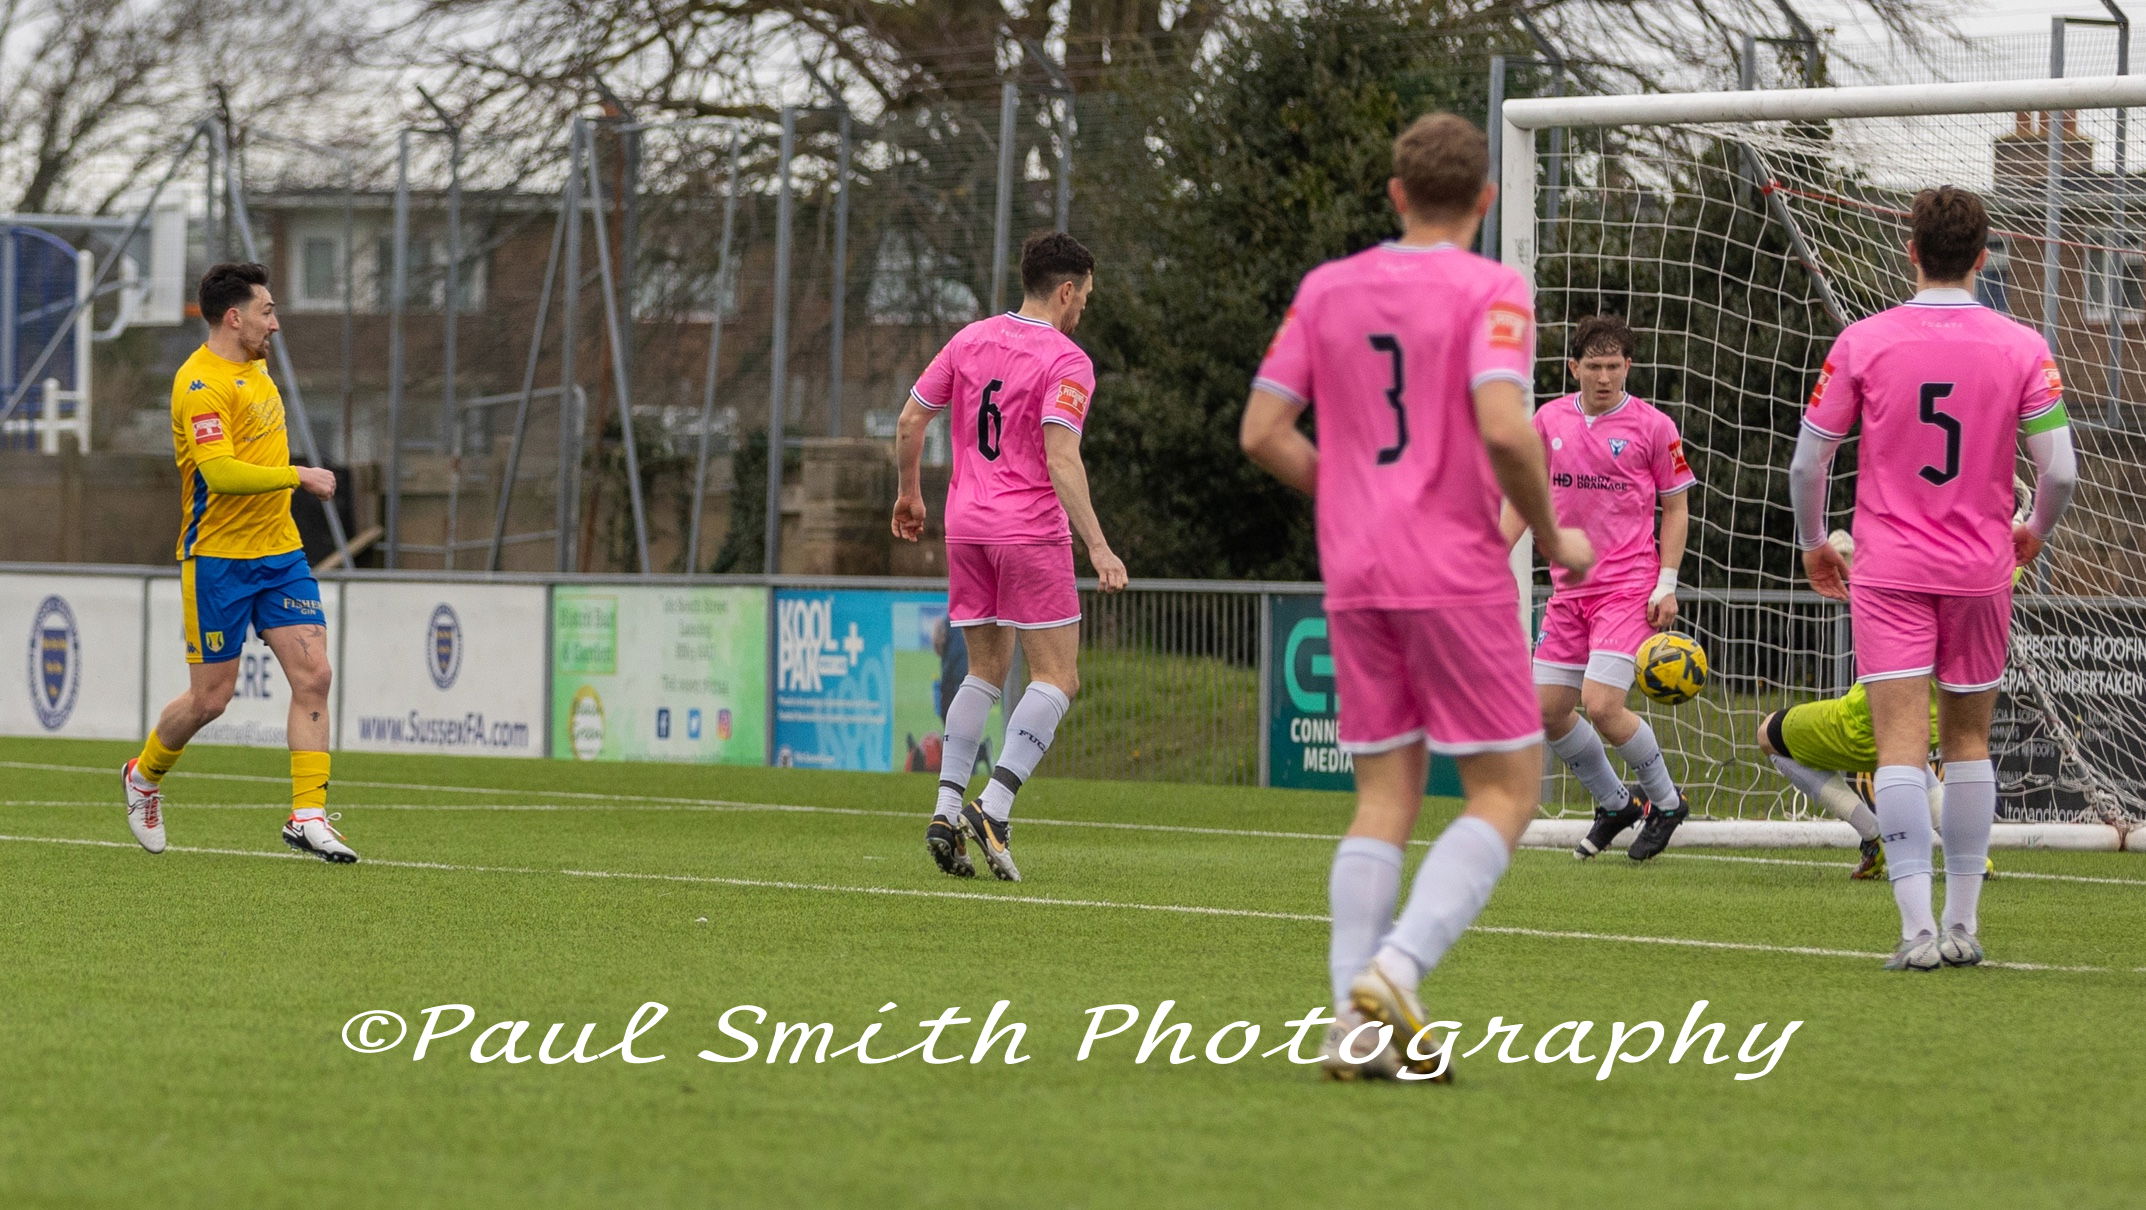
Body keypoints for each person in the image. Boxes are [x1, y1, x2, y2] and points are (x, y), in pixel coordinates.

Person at [1241, 113, 1593, 1080]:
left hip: (1357, 570)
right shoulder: (1491, 288)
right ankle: (1397, 970)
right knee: (1507, 787)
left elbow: (1263, 431)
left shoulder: (1327, 288)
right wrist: (1556, 534)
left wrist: (1354, 494)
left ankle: (1352, 1024)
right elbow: (1508, 429)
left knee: (1385, 795)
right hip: (1453, 567)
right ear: (1485, 199)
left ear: (1394, 196)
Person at [1789, 186, 2077, 970]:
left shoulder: (1864, 341)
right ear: (1985, 256)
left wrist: (1817, 540)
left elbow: (1810, 459)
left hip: (1889, 570)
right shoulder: (2023, 345)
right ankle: (1963, 926)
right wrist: (2032, 533)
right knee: (1971, 741)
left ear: (1910, 251)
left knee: (1900, 748)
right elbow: (2061, 472)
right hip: (1981, 568)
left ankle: (1915, 933)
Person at [891, 231, 1130, 882]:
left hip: (965, 526)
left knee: (984, 671)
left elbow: (912, 420)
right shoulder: (1067, 359)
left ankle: (945, 809)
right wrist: (1100, 546)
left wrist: (911, 495)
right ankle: (992, 807)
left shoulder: (970, 340)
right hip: (1028, 530)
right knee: (1058, 676)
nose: (1084, 307)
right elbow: (1059, 456)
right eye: (1084, 295)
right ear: (1065, 290)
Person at [120, 262, 354, 863]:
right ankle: (144, 778)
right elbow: (219, 473)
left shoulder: (255, 366)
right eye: (267, 311)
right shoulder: (199, 384)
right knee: (211, 700)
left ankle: (308, 816)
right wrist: (297, 474)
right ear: (234, 316)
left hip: (280, 555)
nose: (275, 323)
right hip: (217, 559)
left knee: (316, 675)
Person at [1499, 314, 1695, 861]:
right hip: (1569, 591)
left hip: (1628, 586)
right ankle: (1614, 803)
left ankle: (1667, 800)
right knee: (1546, 709)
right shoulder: (1548, 420)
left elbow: (1676, 507)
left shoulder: (1654, 427)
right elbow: (1524, 497)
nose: (1604, 377)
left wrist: (1666, 584)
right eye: (1594, 367)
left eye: (1614, 366)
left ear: (1628, 366)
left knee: (1603, 704)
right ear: (1574, 367)